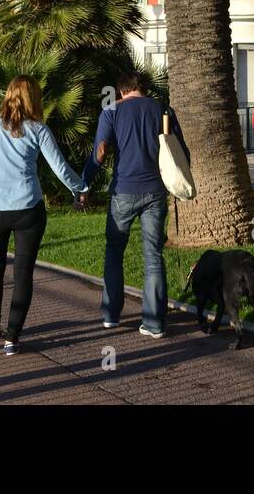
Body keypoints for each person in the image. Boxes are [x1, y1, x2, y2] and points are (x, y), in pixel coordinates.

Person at [0, 76, 90, 356]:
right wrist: (80, 188)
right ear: (35, 98)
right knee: (23, 274)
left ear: (8, 95)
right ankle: (13, 337)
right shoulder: (39, 130)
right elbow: (60, 167)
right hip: (29, 211)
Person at [82, 71, 186, 339]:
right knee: (153, 255)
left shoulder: (111, 112)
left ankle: (111, 315)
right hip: (155, 192)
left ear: (121, 91)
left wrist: (83, 185)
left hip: (123, 192)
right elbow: (181, 153)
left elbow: (99, 152)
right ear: (143, 88)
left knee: (114, 252)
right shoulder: (163, 109)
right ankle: (153, 323)